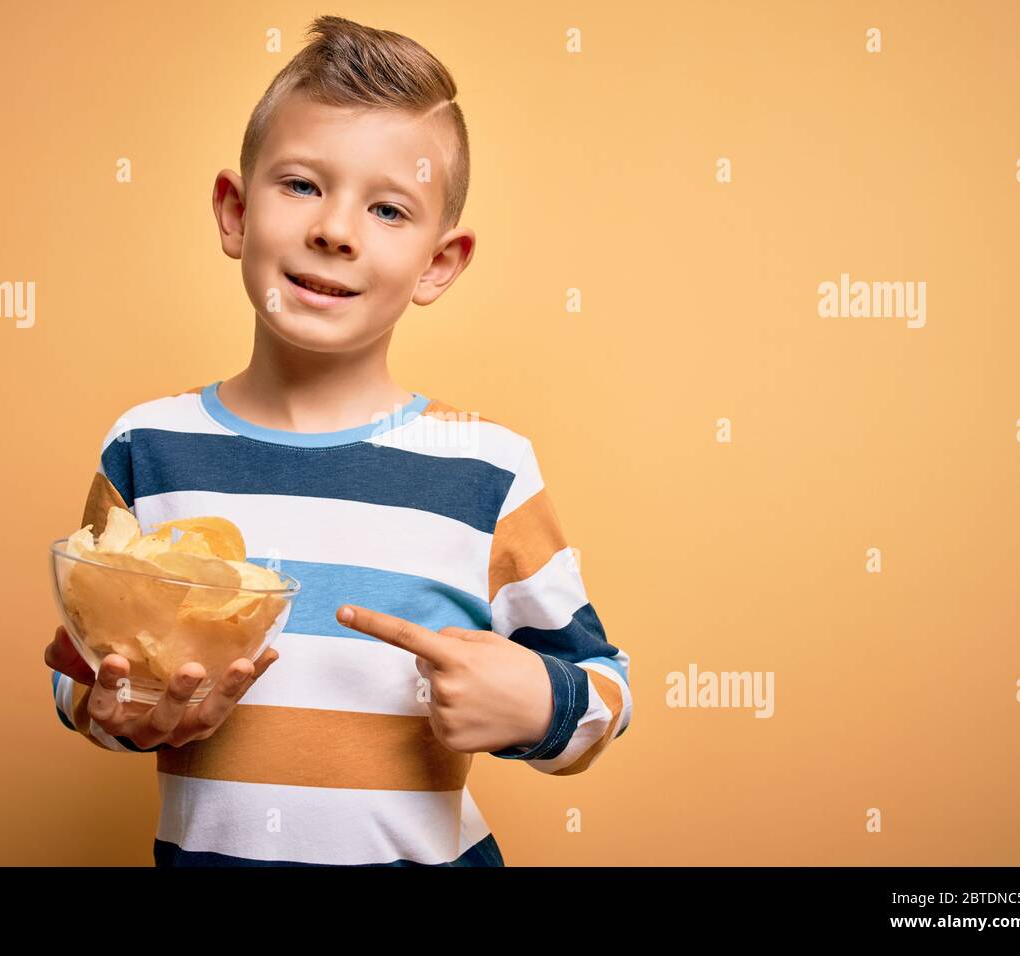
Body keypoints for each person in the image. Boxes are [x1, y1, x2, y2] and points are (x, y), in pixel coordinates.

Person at [44, 13, 631, 867]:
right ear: (234, 213)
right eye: (302, 186)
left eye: (390, 208)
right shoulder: (146, 447)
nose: (337, 231)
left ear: (439, 262)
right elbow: (77, 666)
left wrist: (543, 707)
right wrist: (108, 708)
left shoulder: (487, 469)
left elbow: (606, 683)